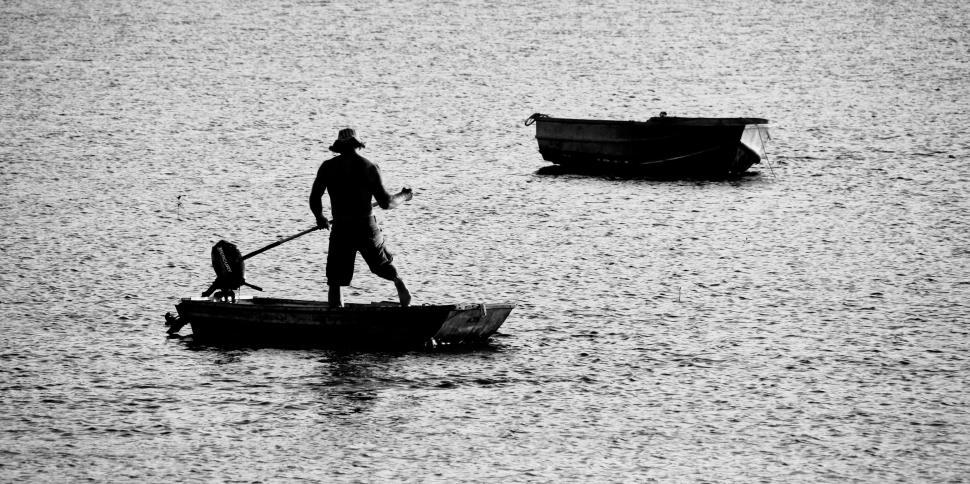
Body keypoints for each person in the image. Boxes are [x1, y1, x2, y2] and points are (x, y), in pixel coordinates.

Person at [309, 128, 413, 307]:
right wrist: (404, 196)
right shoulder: (368, 167)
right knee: (382, 266)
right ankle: (399, 282)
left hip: (342, 228)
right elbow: (386, 203)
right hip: (365, 226)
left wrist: (320, 217)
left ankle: (336, 316)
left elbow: (314, 197)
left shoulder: (328, 167)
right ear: (357, 145)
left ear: (339, 147)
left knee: (335, 280)